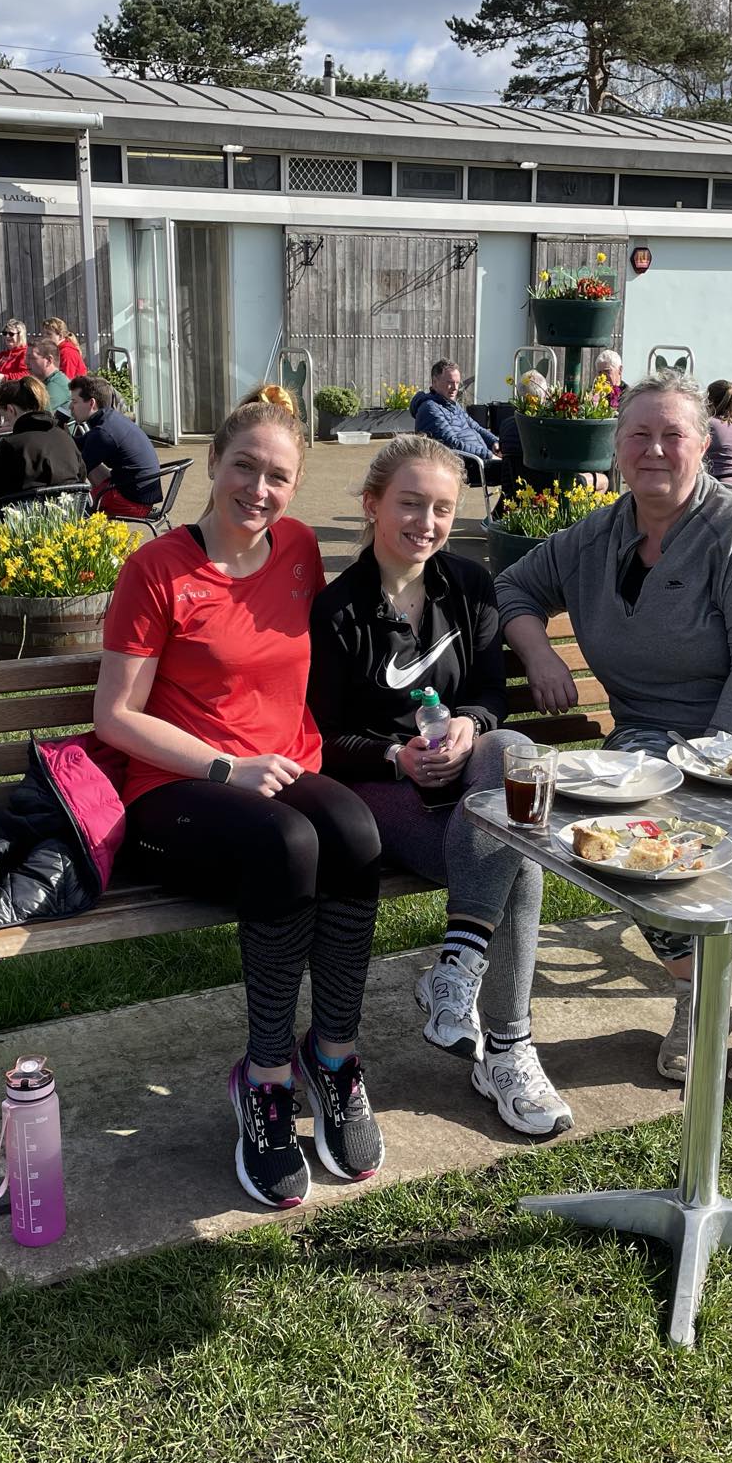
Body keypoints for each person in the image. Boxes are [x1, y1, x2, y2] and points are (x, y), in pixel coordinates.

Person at [497, 370, 732, 1099]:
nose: (654, 449)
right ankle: (704, 985)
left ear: (703, 445)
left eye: (673, 434)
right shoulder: (598, 534)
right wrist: (538, 654)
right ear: (617, 448)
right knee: (614, 824)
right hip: (659, 733)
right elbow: (514, 586)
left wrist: (715, 761)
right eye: (639, 434)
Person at [95, 396, 386, 1209]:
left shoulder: (298, 548)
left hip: (282, 773)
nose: (259, 489)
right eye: (245, 467)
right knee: (288, 845)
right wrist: (226, 768)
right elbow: (114, 716)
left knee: (355, 831)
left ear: (297, 485)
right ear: (214, 464)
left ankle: (334, 1059)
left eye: (278, 476)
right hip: (178, 789)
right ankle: (265, 1080)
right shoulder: (157, 569)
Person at [308, 435, 574, 1137]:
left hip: (471, 790)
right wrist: (394, 756)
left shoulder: (469, 586)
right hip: (385, 796)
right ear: (372, 505)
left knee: (511, 752)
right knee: (519, 849)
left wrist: (467, 723)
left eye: (443, 508)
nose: (426, 522)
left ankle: (457, 970)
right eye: (410, 503)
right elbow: (323, 738)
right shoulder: (337, 610)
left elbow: (491, 698)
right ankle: (508, 1049)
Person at [0, 375, 85, 523]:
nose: (5, 423)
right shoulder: (65, 438)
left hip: (27, 523)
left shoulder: (12, 444)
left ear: (11, 409)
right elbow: (81, 478)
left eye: (5, 418)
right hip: (68, 519)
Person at [69, 374, 162, 520]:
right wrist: (62, 437)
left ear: (91, 403)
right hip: (142, 494)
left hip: (133, 503)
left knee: (72, 504)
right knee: (84, 459)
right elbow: (80, 444)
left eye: (74, 402)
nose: (70, 407)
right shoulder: (111, 419)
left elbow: (77, 473)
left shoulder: (103, 433)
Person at [411, 359, 504, 486]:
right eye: (450, 383)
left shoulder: (452, 405)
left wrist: (495, 442)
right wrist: (488, 455)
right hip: (466, 466)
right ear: (435, 382)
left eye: (457, 383)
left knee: (515, 458)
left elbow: (476, 427)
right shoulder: (430, 409)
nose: (455, 388)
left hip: (480, 459)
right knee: (514, 469)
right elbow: (453, 444)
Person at [26, 336, 72, 412]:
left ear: (48, 360)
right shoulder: (44, 382)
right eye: (26, 357)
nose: (26, 362)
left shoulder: (57, 385)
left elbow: (37, 415)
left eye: (31, 358)